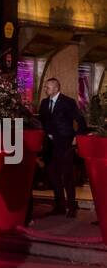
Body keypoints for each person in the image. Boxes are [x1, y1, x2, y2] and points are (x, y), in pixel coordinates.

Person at [38, 78, 87, 217]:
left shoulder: (68, 102)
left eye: (47, 87)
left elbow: (80, 121)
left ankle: (72, 208)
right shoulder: (44, 102)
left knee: (67, 177)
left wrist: (77, 138)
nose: (45, 89)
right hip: (50, 145)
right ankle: (59, 206)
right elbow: (41, 122)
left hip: (65, 143)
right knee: (52, 175)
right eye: (46, 87)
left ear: (55, 88)